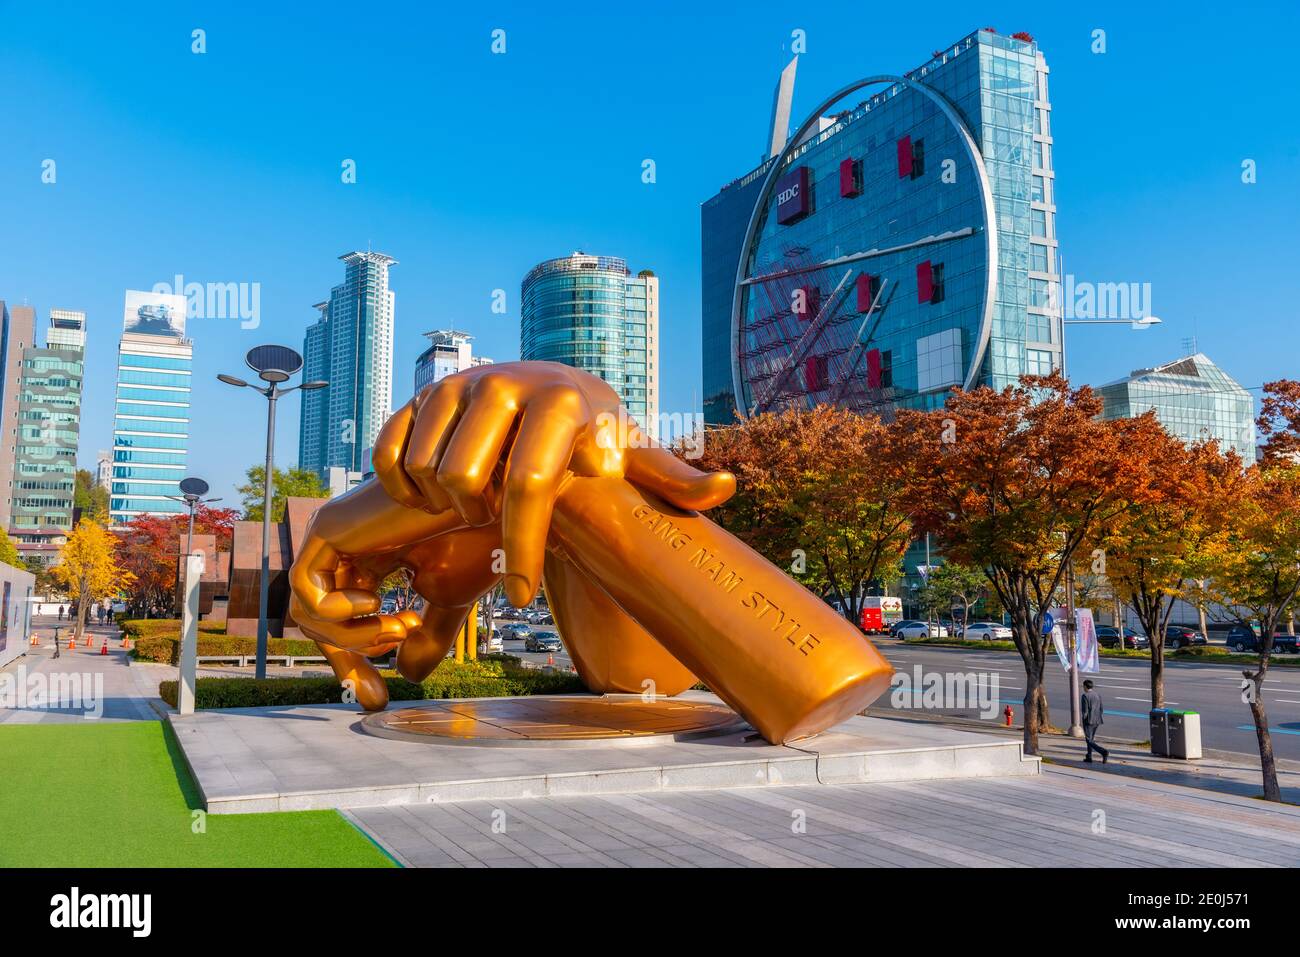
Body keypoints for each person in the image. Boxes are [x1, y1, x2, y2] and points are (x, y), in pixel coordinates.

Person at [1081, 678, 1109, 764]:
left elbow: (1085, 711)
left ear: (1085, 686)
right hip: (1097, 720)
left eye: (1083, 686)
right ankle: (1089, 756)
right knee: (1090, 739)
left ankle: (1103, 752)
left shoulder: (1085, 696)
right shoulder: (1097, 695)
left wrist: (1083, 720)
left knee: (1089, 740)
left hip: (1089, 721)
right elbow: (1101, 709)